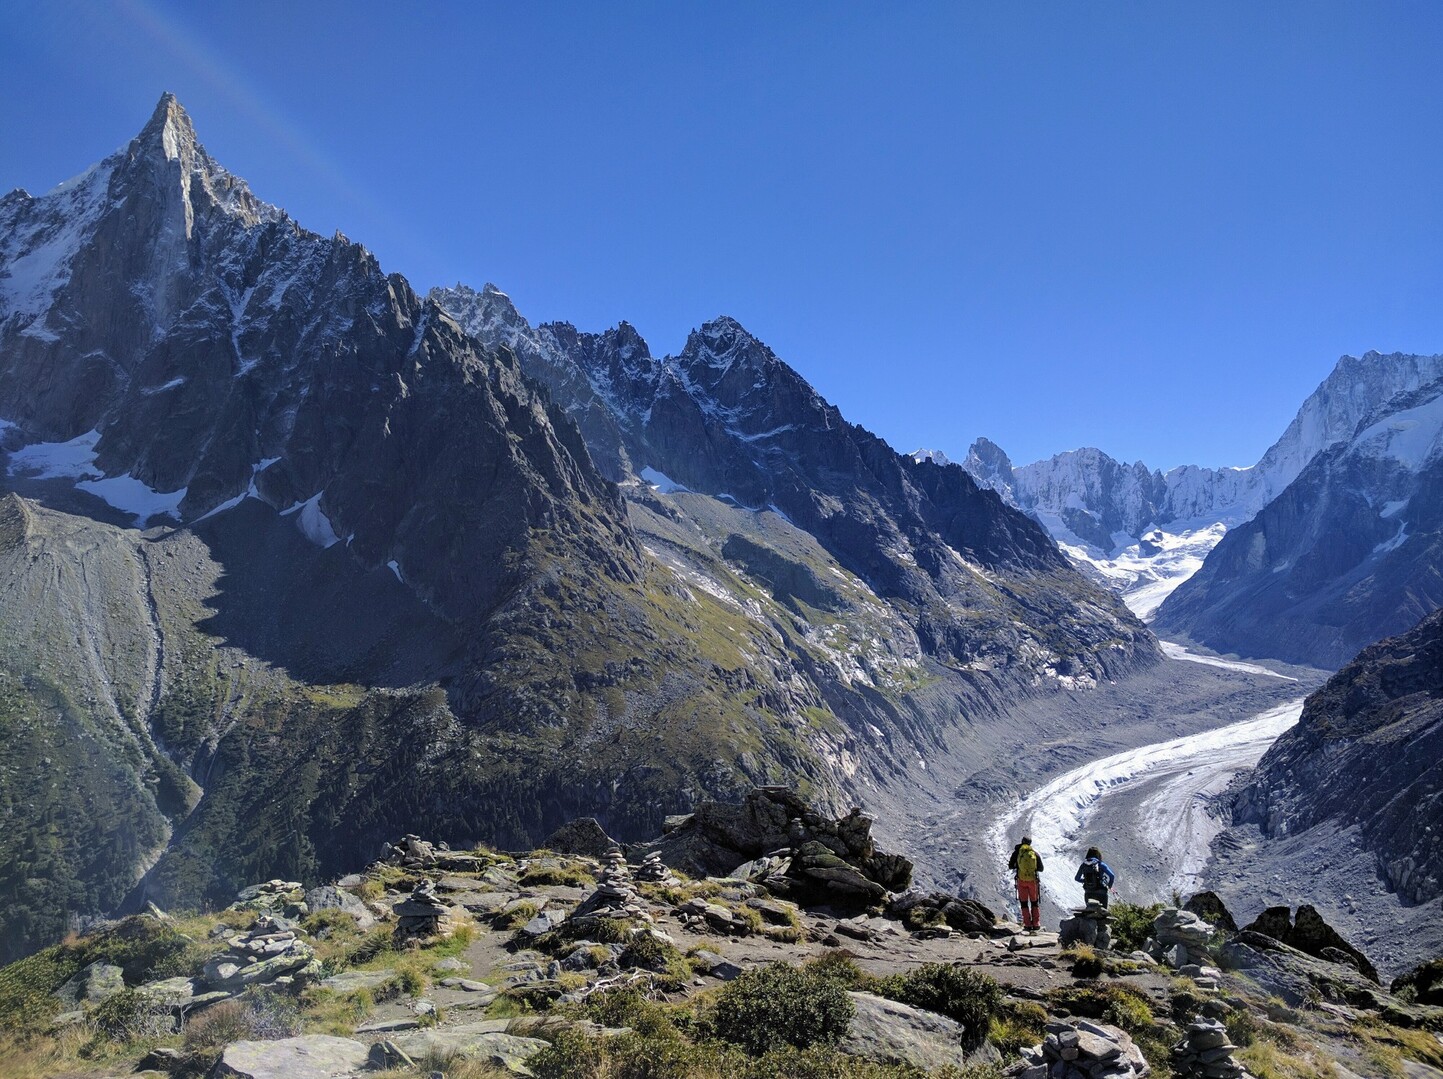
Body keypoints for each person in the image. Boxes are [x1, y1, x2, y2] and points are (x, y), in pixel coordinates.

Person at [1007, 835, 1044, 931]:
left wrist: (1018, 865)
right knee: (1034, 902)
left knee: (1024, 903)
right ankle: (1036, 923)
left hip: (1021, 881)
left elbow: (1010, 866)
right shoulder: (1034, 853)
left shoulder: (1017, 853)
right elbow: (1041, 868)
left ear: (1022, 841)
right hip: (1033, 881)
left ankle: (1027, 924)